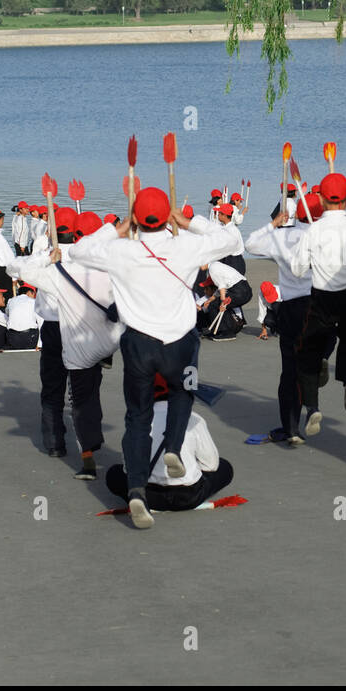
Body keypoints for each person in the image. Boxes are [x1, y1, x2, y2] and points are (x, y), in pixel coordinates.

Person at [66, 187, 243, 529]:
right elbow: (233, 239)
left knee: (137, 416)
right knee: (183, 392)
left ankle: (136, 489)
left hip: (139, 344)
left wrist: (117, 228)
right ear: (166, 217)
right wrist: (189, 222)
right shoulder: (186, 244)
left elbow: (79, 251)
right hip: (180, 343)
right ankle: (174, 447)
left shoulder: (122, 249)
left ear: (137, 219)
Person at [11, 210, 124, 478]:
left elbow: (15, 267)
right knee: (86, 388)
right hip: (86, 328)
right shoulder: (99, 259)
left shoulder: (52, 256)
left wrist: (46, 259)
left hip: (53, 326)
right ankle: (89, 444)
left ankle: (54, 443)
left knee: (53, 386)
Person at [289, 172, 346, 436]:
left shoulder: (314, 230)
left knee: (309, 350)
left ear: (322, 200)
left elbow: (297, 268)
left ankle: (313, 406)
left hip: (325, 295)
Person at [245, 193, 320, 443]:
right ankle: (312, 407)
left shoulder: (283, 235)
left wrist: (273, 224)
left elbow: (251, 245)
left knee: (290, 371)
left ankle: (291, 428)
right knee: (309, 363)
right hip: (320, 306)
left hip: (293, 306)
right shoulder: (329, 236)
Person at [104, 375, 234, 512]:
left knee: (114, 474)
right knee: (225, 467)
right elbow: (211, 465)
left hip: (148, 494)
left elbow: (128, 468)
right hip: (187, 497)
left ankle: (142, 501)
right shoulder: (194, 419)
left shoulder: (137, 419)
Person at [4, 282, 42, 349]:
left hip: (13, 339)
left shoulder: (11, 301)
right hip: (29, 338)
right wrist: (39, 344)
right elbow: (41, 323)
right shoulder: (34, 302)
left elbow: (7, 314)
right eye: (34, 294)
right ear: (29, 292)